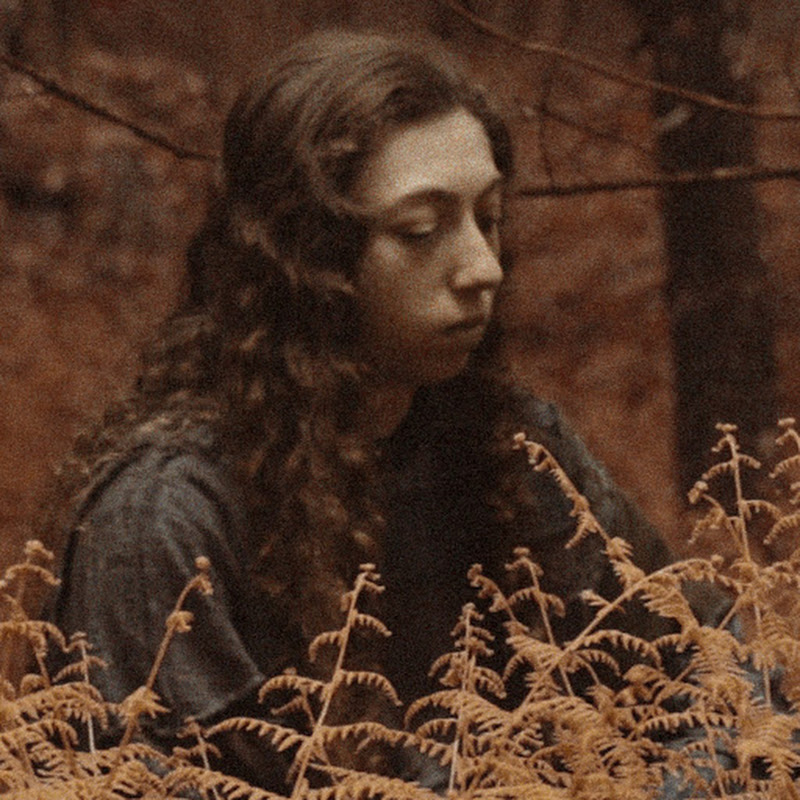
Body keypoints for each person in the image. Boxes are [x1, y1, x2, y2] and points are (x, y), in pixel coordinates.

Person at [48, 28, 677, 790]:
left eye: (489, 218)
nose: (482, 268)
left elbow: (717, 674)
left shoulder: (514, 449)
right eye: (422, 230)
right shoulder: (166, 521)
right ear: (308, 257)